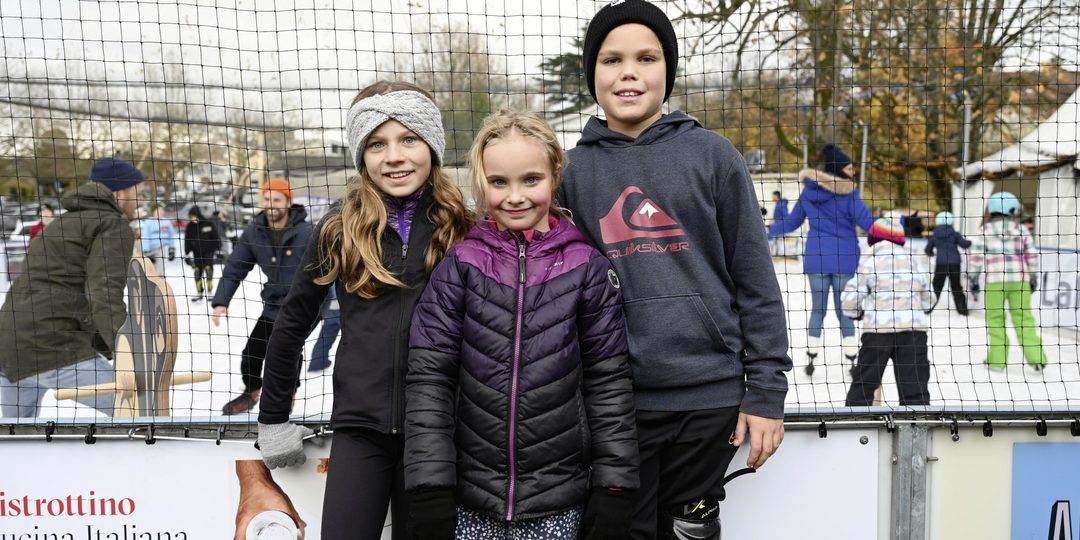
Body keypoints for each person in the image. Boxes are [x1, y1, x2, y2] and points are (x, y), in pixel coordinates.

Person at [559, 2, 791, 537]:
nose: (629, 72)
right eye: (612, 60)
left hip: (709, 400)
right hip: (613, 404)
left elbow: (756, 283)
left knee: (692, 531)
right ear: (592, 73)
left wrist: (766, 393)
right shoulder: (570, 170)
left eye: (647, 57)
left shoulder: (713, 156)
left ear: (669, 70)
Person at [250, 81, 472, 539]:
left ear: (431, 144)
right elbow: (292, 321)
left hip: (438, 430)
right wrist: (273, 415)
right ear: (361, 155)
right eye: (377, 143)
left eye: (408, 139)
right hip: (360, 429)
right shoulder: (339, 226)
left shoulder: (462, 224)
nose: (394, 156)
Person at [404, 111, 638, 540]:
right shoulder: (461, 265)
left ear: (554, 175)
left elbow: (609, 384)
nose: (515, 196)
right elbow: (429, 380)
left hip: (557, 500)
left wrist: (615, 482)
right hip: (470, 500)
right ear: (482, 184)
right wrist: (429, 482)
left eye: (531, 180)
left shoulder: (586, 268)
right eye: (499, 183)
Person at [0, 157, 145, 417]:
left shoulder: (59, 225)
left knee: (15, 444)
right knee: (141, 412)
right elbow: (103, 293)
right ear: (118, 192)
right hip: (53, 346)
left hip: (8, 348)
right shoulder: (112, 224)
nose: (142, 201)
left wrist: (103, 344)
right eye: (139, 193)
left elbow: (61, 289)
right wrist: (128, 352)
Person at [211, 178, 314, 415]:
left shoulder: (307, 232)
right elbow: (235, 268)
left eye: (277, 199)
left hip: (306, 304)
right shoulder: (254, 232)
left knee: (285, 349)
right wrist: (221, 302)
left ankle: (285, 396)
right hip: (275, 304)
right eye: (266, 199)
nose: (271, 205)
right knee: (251, 354)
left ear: (288, 202)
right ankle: (252, 389)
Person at [770, 143, 875, 375]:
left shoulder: (809, 193)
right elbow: (869, 225)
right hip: (844, 259)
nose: (853, 172)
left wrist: (767, 230)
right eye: (849, 168)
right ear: (838, 169)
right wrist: (896, 229)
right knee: (844, 310)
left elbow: (791, 223)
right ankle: (852, 360)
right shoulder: (851, 195)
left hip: (816, 259)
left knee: (817, 310)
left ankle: (811, 358)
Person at [842, 218, 934, 406]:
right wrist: (918, 306)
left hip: (878, 332)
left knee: (863, 387)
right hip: (913, 332)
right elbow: (929, 298)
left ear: (872, 240)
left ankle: (856, 427)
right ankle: (916, 430)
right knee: (915, 390)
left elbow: (849, 298)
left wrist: (854, 312)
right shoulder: (913, 260)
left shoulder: (870, 261)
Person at [968, 192, 1048, 371]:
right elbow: (1032, 255)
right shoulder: (1022, 230)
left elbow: (976, 257)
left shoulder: (984, 231)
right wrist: (1033, 276)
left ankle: (997, 360)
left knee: (995, 320)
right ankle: (1037, 358)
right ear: (1011, 209)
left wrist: (973, 278)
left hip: (995, 282)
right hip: (1020, 280)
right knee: (1024, 319)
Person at [924, 211, 971, 315]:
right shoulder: (955, 234)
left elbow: (928, 250)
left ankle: (927, 308)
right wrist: (971, 241)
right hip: (955, 263)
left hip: (941, 263)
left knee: (936, 286)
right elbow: (964, 245)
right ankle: (963, 310)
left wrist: (931, 254)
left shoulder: (935, 235)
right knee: (956, 287)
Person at [184, 205, 224, 303]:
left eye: (193, 216)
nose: (192, 218)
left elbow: (216, 237)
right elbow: (187, 241)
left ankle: (210, 293)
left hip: (209, 251)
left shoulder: (208, 224)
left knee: (208, 270)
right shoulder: (190, 226)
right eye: (191, 217)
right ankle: (199, 293)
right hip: (196, 253)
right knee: (197, 272)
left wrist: (219, 250)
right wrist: (187, 253)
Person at [141, 204, 179, 278]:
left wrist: (172, 248)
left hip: (162, 247)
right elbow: (145, 236)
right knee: (151, 270)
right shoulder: (148, 222)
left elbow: (171, 236)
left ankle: (160, 282)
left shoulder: (166, 222)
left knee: (160, 269)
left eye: (162, 210)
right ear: (154, 211)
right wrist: (146, 251)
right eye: (158, 210)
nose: (160, 212)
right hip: (151, 250)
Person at [769, 190, 791, 257]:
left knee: (779, 243)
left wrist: (776, 221)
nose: (772, 198)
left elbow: (786, 217)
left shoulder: (782, 204)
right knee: (775, 242)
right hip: (777, 226)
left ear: (776, 196)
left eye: (772, 196)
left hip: (780, 227)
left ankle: (779, 255)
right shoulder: (778, 204)